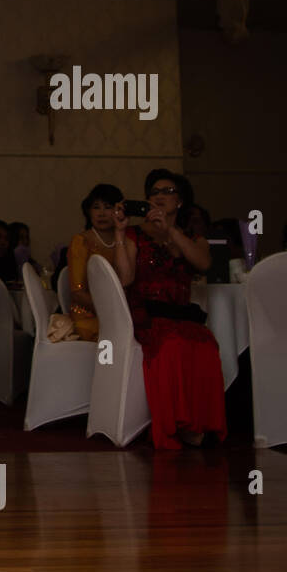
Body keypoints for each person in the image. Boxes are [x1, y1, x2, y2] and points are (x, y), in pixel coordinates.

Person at [110, 169, 226, 449]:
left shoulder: (192, 238)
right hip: (148, 314)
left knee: (206, 343)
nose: (160, 197)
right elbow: (125, 279)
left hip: (181, 313)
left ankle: (198, 423)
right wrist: (119, 230)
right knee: (172, 343)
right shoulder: (135, 235)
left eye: (167, 192)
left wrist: (169, 229)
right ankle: (177, 424)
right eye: (154, 193)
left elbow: (203, 264)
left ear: (180, 201)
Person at [65, 183, 123, 341]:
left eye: (108, 207)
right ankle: (107, 364)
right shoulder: (81, 241)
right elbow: (77, 292)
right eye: (96, 207)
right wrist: (110, 312)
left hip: (120, 315)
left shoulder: (126, 241)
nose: (102, 213)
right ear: (89, 212)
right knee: (113, 339)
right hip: (88, 317)